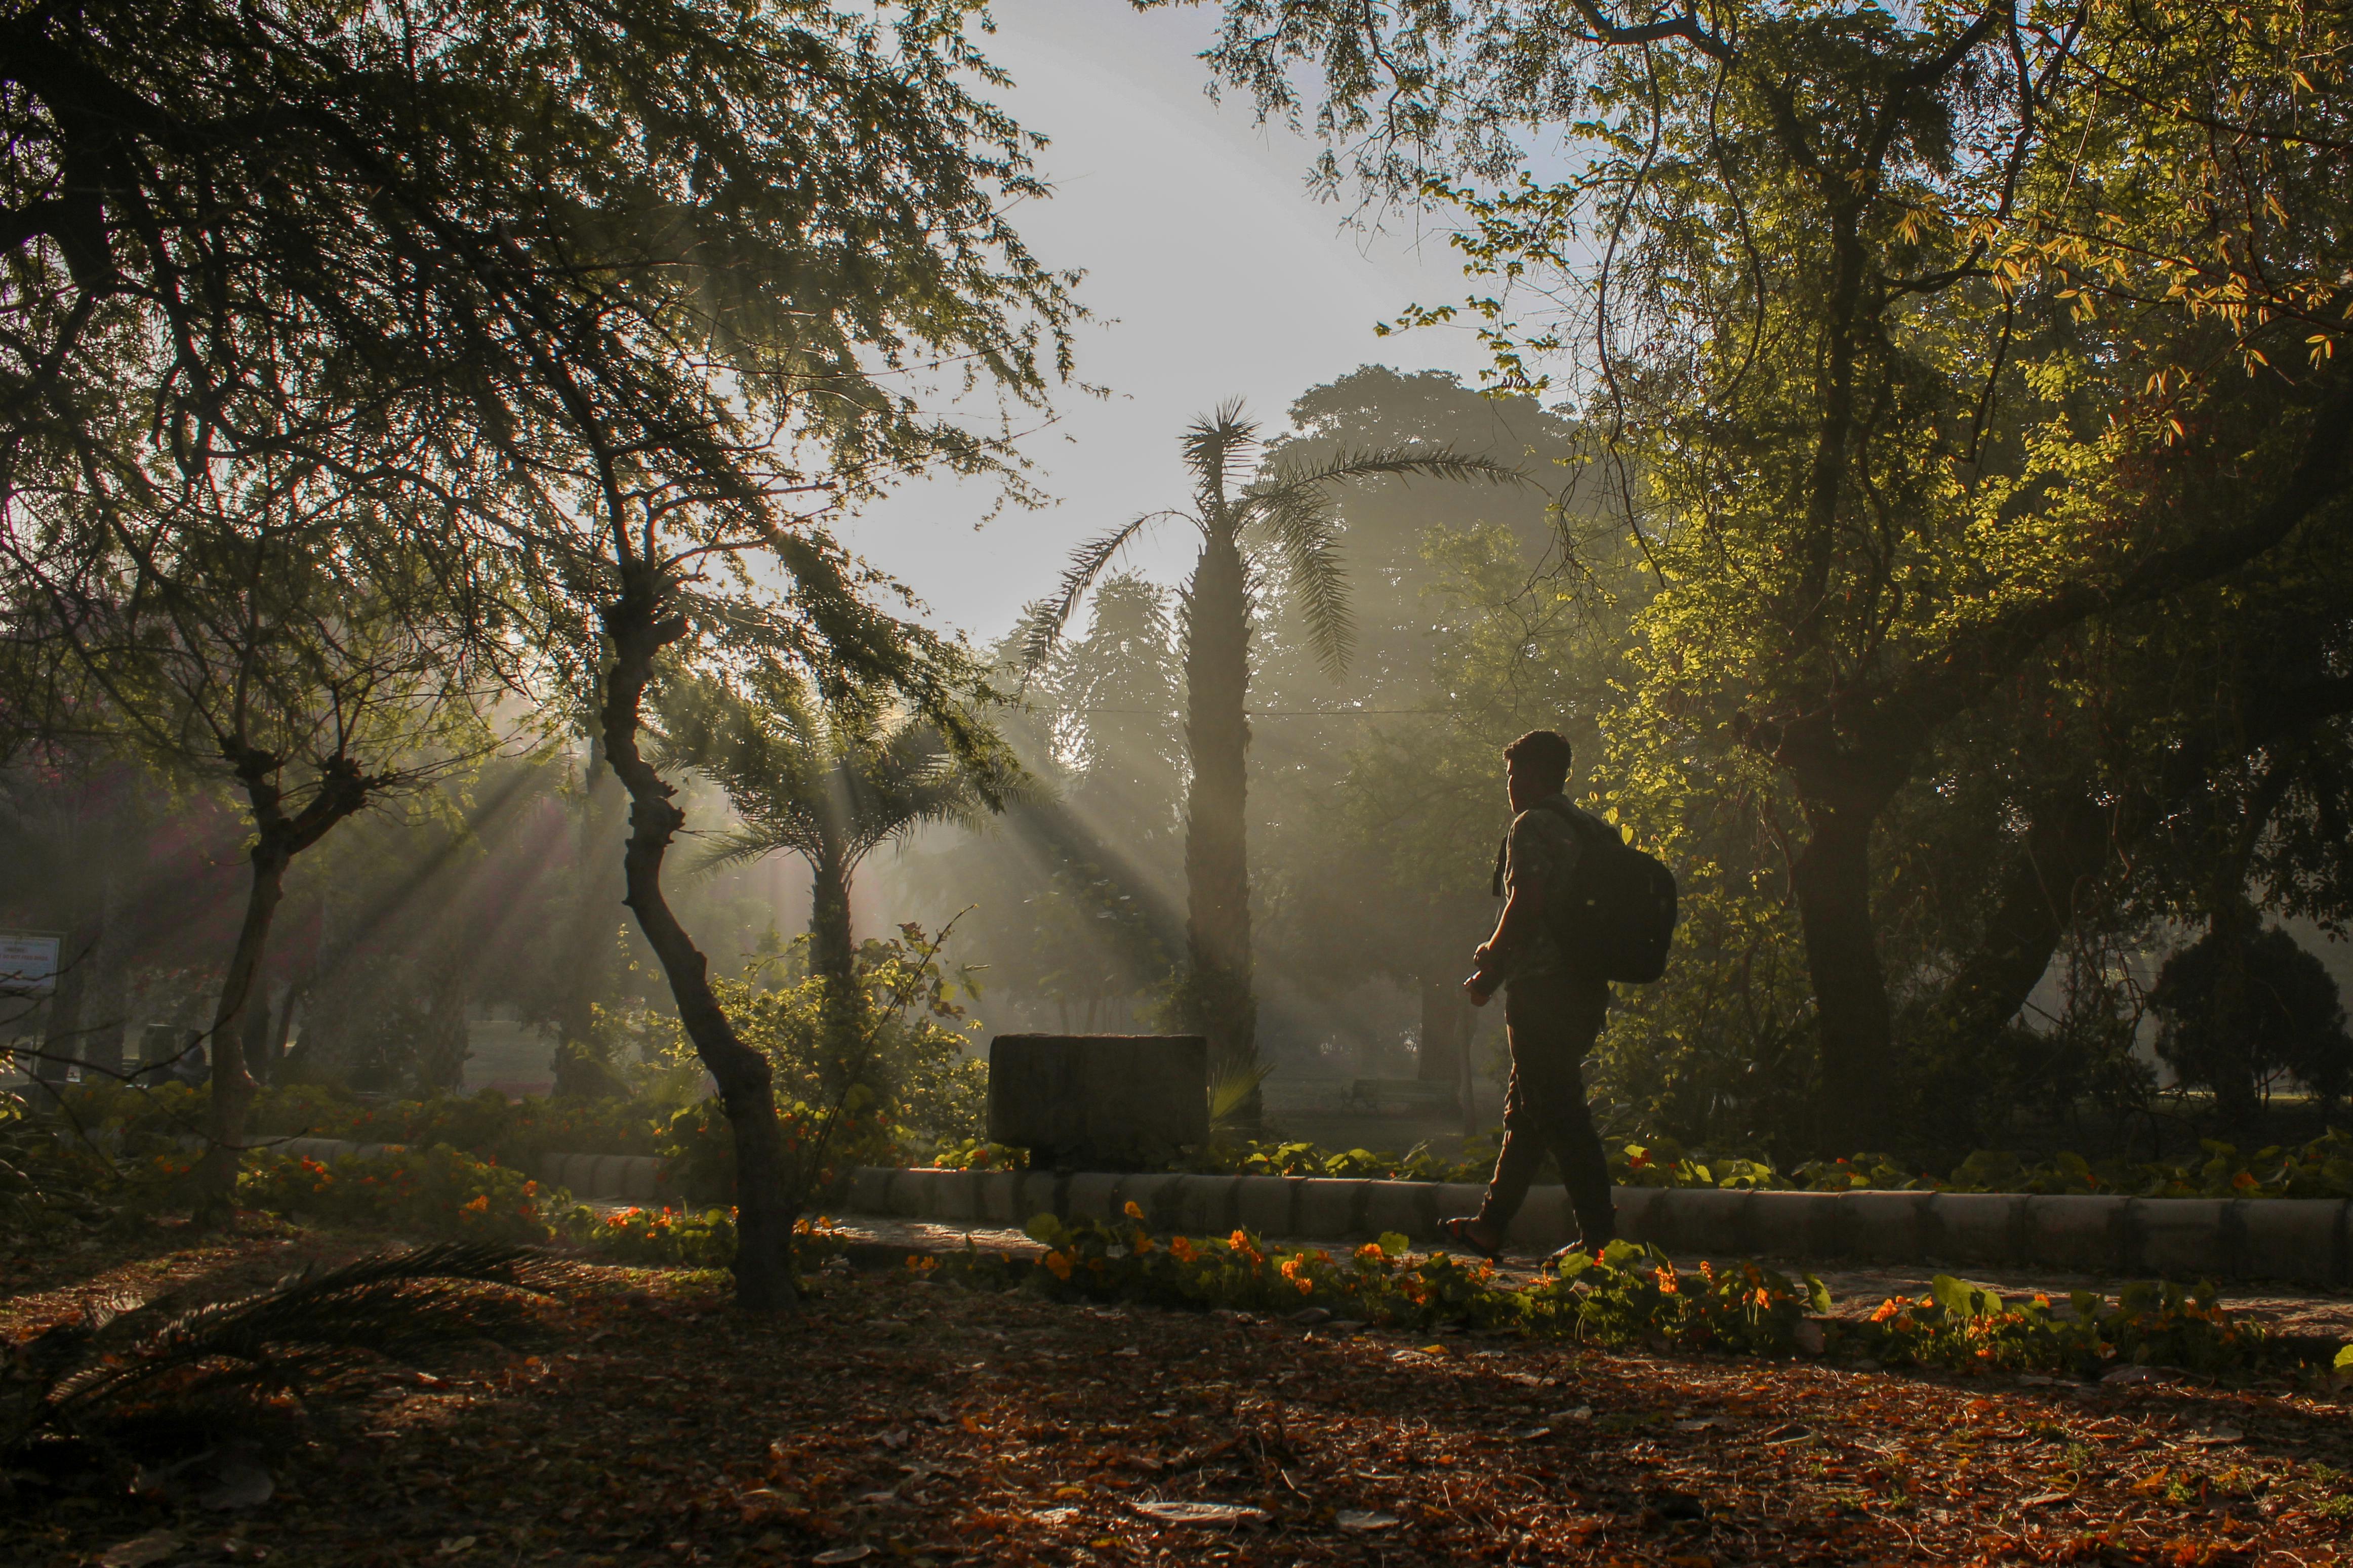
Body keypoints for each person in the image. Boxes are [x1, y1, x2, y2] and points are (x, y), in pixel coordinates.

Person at [1438, 729, 1617, 1264]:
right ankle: (1491, 1226)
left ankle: (1600, 1241)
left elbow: (1527, 902)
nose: (1510, 788)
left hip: (1542, 992)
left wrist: (1489, 958)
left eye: (1514, 777)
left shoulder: (1532, 824)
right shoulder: (1595, 831)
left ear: (1536, 776)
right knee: (1528, 1108)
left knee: (1559, 1112)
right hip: (1587, 989)